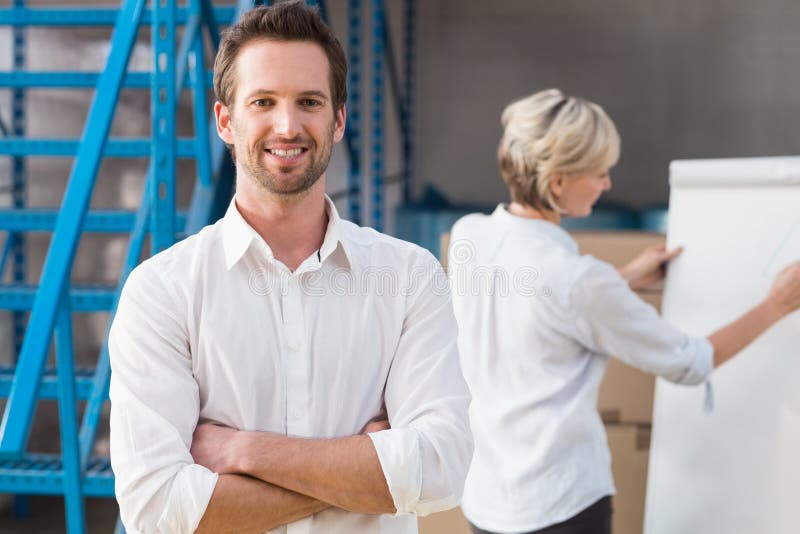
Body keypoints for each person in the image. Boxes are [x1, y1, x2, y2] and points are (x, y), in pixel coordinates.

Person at [108, 2, 472, 533]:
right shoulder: (162, 292)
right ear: (225, 121)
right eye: (263, 102)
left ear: (338, 119)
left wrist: (245, 451)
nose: (287, 125)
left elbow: (441, 468)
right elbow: (157, 508)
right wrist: (363, 468)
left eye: (309, 102)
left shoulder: (409, 277)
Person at [448, 88, 800, 534]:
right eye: (600, 173)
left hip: (487, 501)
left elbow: (536, 300)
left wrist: (625, 277)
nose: (607, 185)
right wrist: (777, 304)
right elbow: (692, 361)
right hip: (560, 507)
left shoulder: (470, 236)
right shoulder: (579, 281)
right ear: (557, 183)